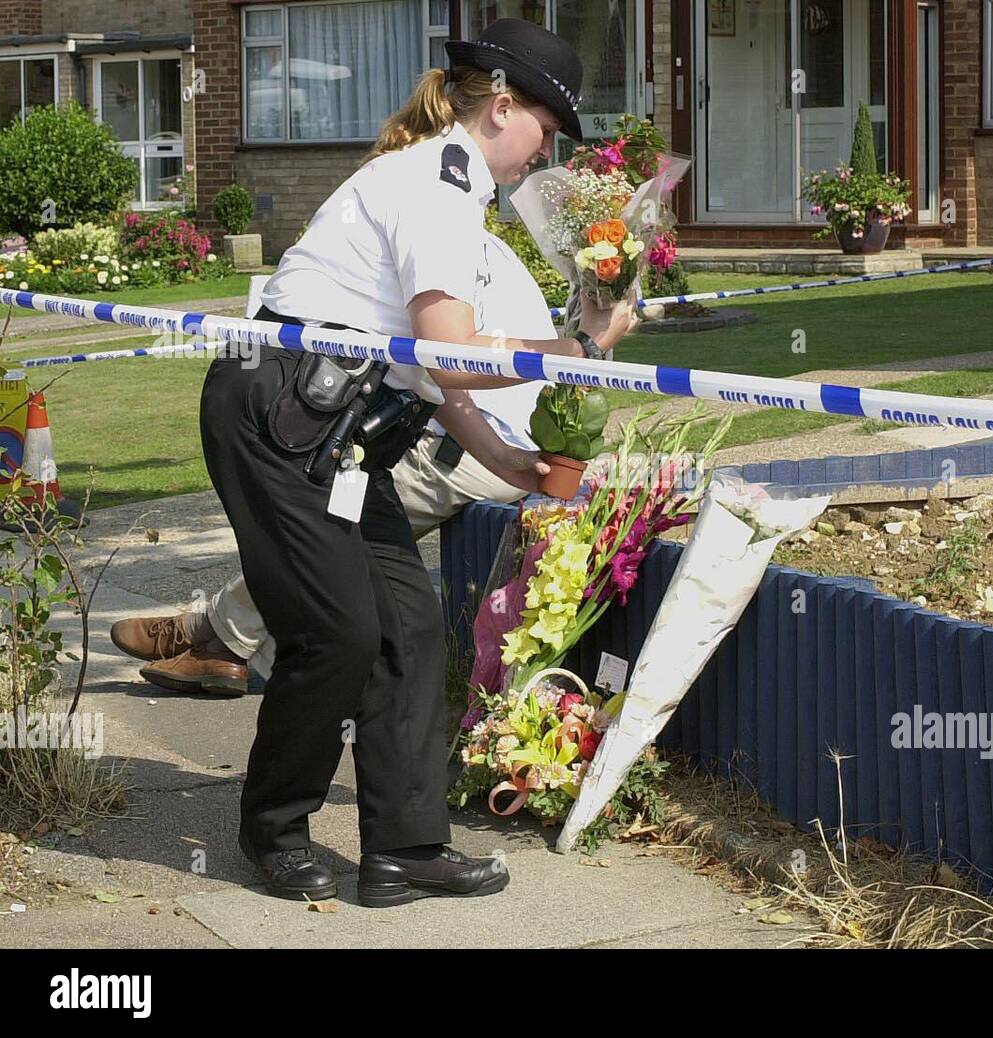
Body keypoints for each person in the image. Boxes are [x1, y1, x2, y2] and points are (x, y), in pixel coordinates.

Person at [192, 19, 635, 907]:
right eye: (545, 135)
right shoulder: (439, 184)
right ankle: (273, 830)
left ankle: (404, 850)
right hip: (280, 416)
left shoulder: (452, 194)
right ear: (502, 107)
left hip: (338, 429)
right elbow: (450, 354)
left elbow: (436, 379)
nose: (542, 158)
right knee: (338, 632)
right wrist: (578, 343)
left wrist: (510, 461)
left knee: (410, 627)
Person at [111, 231, 560, 694]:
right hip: (488, 440)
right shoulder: (480, 247)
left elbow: (443, 367)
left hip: (474, 450)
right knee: (324, 529)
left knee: (319, 532)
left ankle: (221, 640)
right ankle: (213, 632)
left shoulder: (435, 249)